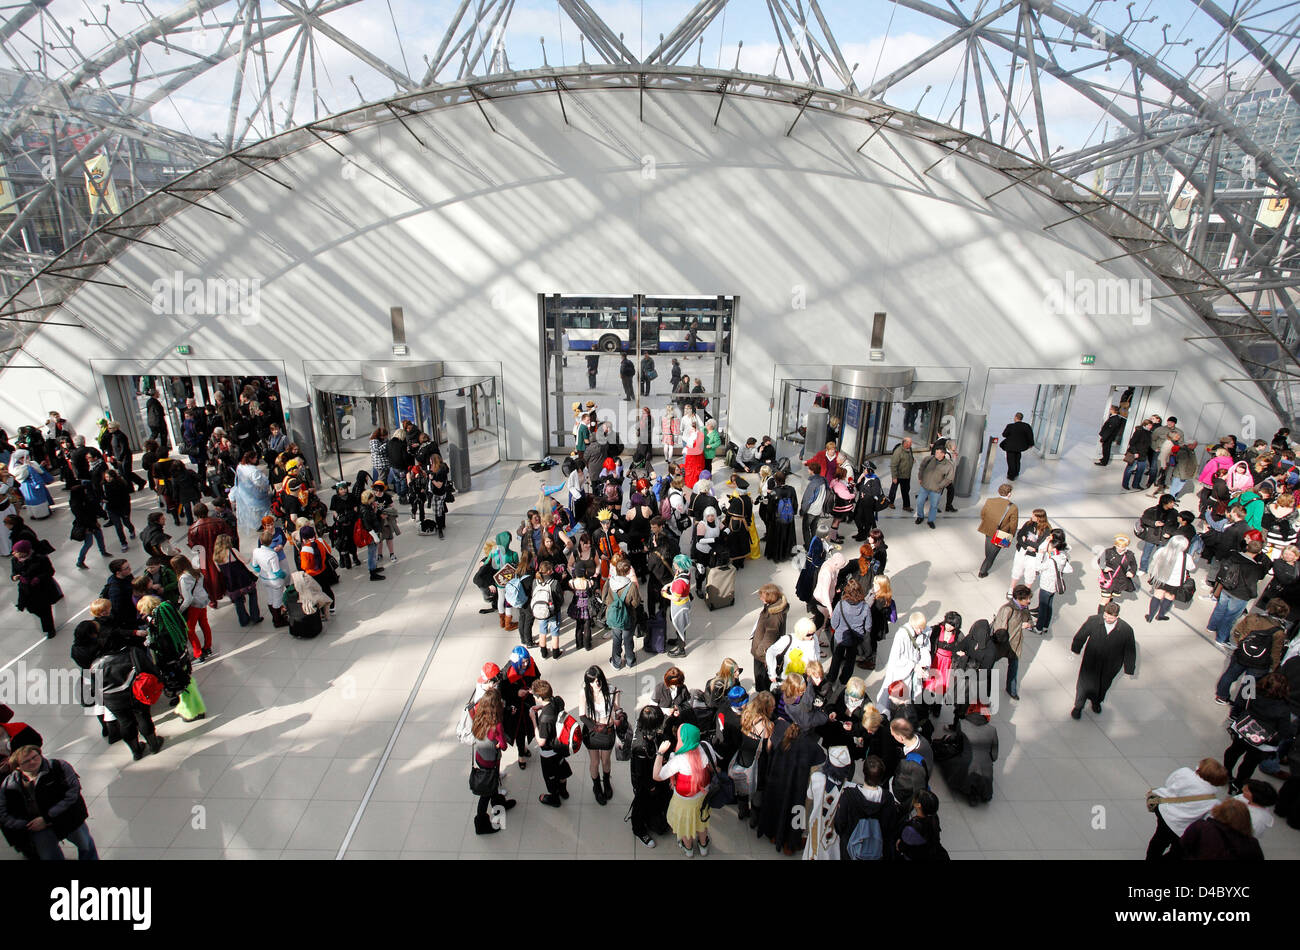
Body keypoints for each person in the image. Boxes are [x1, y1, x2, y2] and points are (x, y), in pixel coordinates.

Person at [0, 746, 97, 860]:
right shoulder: (9, 785)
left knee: (85, 844)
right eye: (26, 761)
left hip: (67, 818)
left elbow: (72, 793)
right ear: (18, 767)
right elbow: (3, 810)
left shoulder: (59, 767)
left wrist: (47, 818)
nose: (32, 761)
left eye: (35, 757)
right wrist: (26, 825)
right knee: (49, 856)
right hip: (36, 826)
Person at [90, 637, 164, 761]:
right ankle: (153, 744)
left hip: (112, 700)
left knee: (124, 722)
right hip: (136, 694)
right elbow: (150, 669)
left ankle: (136, 751)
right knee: (143, 717)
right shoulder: (133, 653)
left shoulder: (95, 665)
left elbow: (94, 688)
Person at [137, 595, 206, 723]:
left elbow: (164, 649)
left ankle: (192, 712)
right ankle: (195, 707)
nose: (142, 613)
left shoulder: (162, 632)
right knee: (187, 684)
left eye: (143, 610)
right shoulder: (169, 621)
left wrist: (151, 644)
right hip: (181, 658)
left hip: (173, 663)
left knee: (184, 687)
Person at [1223, 671, 1294, 792]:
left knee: (1233, 751)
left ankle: (1225, 773)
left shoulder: (1252, 691)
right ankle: (1239, 784)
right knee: (1249, 764)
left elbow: (1241, 703)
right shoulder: (1284, 708)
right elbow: (1284, 732)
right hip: (1261, 742)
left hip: (1243, 730)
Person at [1146, 758, 1229, 860]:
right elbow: (1206, 819)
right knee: (1177, 851)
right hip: (1182, 829)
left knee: (1158, 840)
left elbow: (1169, 783)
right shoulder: (1214, 802)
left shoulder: (1184, 773)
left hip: (1165, 813)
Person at [1069, 602, 1137, 719]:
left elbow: (1130, 650)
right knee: (1084, 683)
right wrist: (1076, 648)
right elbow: (1081, 634)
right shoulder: (1094, 620)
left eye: (1110, 617)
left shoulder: (1126, 629)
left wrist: (1129, 668)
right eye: (1105, 616)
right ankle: (1078, 706)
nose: (1107, 619)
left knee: (1103, 685)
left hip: (1111, 664)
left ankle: (1096, 702)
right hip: (1091, 660)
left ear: (1117, 617)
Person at [469, 689, 517, 836]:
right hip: (491, 763)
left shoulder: (477, 716)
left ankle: (498, 804)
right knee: (486, 794)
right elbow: (503, 745)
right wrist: (497, 744)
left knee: (493, 786)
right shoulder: (496, 725)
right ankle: (481, 824)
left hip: (480, 758)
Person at [628, 706, 673, 848]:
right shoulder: (641, 747)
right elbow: (641, 774)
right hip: (646, 782)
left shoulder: (647, 728)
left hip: (656, 773)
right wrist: (652, 787)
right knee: (641, 804)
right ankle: (639, 829)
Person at [876, 612, 930, 715]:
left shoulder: (923, 632)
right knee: (893, 699)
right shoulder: (902, 634)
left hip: (911, 674)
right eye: (918, 628)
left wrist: (923, 666)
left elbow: (925, 649)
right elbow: (896, 658)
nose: (920, 631)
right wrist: (914, 666)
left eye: (921, 628)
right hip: (900, 675)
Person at [581, 667, 620, 806]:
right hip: (593, 733)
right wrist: (595, 728)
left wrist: (620, 716)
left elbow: (617, 708)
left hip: (608, 731)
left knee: (605, 761)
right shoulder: (585, 692)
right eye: (591, 682)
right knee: (594, 762)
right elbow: (582, 715)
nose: (595, 685)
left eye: (597, 681)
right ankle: (597, 786)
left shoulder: (612, 690)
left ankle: (607, 781)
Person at [532, 680, 572, 808]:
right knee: (562, 771)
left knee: (551, 777)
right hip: (560, 747)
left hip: (549, 754)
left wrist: (534, 720)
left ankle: (554, 798)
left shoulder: (544, 719)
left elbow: (541, 741)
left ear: (539, 697)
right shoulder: (557, 701)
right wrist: (542, 707)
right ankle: (563, 791)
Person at [10, 539, 61, 638]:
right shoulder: (15, 561)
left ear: (24, 552)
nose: (14, 553)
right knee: (32, 609)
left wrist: (38, 578)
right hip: (26, 589)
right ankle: (44, 618)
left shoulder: (40, 559)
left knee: (45, 610)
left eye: (16, 552)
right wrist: (14, 577)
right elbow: (13, 573)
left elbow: (50, 571)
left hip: (41, 590)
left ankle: (50, 629)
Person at [992, 586, 1034, 701]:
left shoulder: (1024, 607)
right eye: (1027, 598)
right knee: (989, 665)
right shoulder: (1007, 609)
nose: (1029, 601)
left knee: (1014, 667)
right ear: (1019, 598)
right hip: (1002, 644)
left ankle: (1012, 690)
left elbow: (1029, 620)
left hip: (1015, 644)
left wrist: (1029, 624)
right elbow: (1000, 628)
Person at [828, 576, 871, 687]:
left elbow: (833, 623)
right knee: (850, 660)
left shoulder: (840, 605)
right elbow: (868, 627)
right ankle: (844, 679)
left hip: (841, 637)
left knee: (836, 658)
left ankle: (831, 678)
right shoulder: (865, 607)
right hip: (855, 639)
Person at [212, 533, 262, 626]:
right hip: (243, 579)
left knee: (238, 601)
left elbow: (219, 570)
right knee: (252, 594)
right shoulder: (232, 551)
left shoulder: (215, 557)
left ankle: (243, 620)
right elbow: (245, 561)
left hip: (231, 583)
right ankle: (255, 617)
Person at [1144, 534, 1195, 623]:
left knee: (1157, 596)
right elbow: (1191, 568)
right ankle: (1160, 615)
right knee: (1169, 597)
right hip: (1175, 582)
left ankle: (1150, 616)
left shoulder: (1162, 551)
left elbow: (1155, 558)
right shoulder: (1186, 557)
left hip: (1161, 578)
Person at [604, 559, 640, 669]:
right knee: (628, 639)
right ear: (629, 571)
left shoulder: (609, 583)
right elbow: (636, 603)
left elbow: (604, 599)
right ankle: (630, 660)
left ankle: (616, 662)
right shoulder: (632, 586)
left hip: (614, 617)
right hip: (628, 617)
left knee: (616, 639)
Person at [1034, 529, 1072, 634]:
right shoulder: (1062, 557)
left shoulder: (1052, 560)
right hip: (1054, 586)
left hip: (1046, 585)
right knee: (1049, 607)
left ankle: (1038, 628)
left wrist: (1040, 555)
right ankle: (1045, 626)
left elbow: (1038, 567)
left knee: (1043, 608)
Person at [976, 484, 1018, 578]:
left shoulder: (990, 501)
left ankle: (986, 563)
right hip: (1002, 533)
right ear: (1009, 494)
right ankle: (983, 571)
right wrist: (1011, 535)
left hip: (988, 529)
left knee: (988, 549)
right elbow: (1013, 524)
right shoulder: (1013, 507)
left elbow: (983, 514)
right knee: (993, 553)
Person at [229, 450, 272, 537]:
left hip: (245, 493)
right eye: (255, 458)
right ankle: (260, 524)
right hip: (255, 494)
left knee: (251, 511)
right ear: (251, 459)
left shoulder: (240, 466)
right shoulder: (253, 471)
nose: (257, 459)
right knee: (260, 510)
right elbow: (261, 483)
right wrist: (266, 486)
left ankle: (256, 524)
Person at [69, 480, 110, 569]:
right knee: (88, 543)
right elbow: (82, 517)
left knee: (100, 538)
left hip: (92, 523)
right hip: (87, 526)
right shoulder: (76, 504)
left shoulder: (84, 499)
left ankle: (103, 551)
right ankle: (80, 561)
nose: (86, 491)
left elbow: (92, 508)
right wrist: (93, 524)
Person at [897, 789, 947, 860]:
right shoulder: (934, 817)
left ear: (918, 805)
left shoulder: (912, 828)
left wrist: (899, 844)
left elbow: (901, 847)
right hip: (934, 853)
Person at [914, 445, 955, 529]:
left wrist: (940, 486)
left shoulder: (948, 465)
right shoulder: (929, 459)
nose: (935, 453)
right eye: (935, 452)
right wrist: (920, 477)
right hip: (924, 486)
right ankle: (920, 516)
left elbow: (949, 478)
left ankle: (931, 520)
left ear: (943, 454)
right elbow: (921, 467)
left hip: (936, 490)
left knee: (934, 506)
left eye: (938, 452)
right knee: (919, 502)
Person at [1097, 535, 1138, 612]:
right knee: (1105, 599)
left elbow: (1134, 565)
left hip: (1119, 581)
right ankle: (1100, 617)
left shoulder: (1130, 555)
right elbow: (1100, 561)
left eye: (1122, 546)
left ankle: (1106, 612)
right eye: (1118, 546)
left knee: (1110, 597)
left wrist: (1132, 572)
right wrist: (1104, 568)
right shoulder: (1108, 551)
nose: (1120, 548)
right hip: (1108, 579)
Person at [764, 470, 799, 561]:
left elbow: (770, 508)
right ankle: (787, 552)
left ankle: (778, 554)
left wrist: (769, 518)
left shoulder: (774, 491)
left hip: (777, 520)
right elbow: (795, 503)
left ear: (776, 480)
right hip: (789, 518)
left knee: (777, 537)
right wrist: (793, 513)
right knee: (788, 535)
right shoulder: (792, 489)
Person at [1000, 412, 1035, 480]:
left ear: (1015, 417)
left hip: (1010, 446)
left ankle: (1011, 475)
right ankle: (1016, 472)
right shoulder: (1026, 426)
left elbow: (1004, 434)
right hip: (1020, 447)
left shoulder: (1010, 426)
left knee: (1011, 461)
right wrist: (1031, 444)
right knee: (1017, 459)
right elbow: (1030, 436)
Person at [1122, 419, 1155, 490]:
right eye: (1149, 425)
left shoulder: (1150, 433)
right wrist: (1135, 452)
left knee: (1140, 470)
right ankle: (1125, 484)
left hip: (1143, 455)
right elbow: (1132, 443)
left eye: (1151, 425)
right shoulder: (1139, 432)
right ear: (1145, 425)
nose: (1150, 427)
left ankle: (1136, 484)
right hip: (1135, 454)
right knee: (1130, 469)